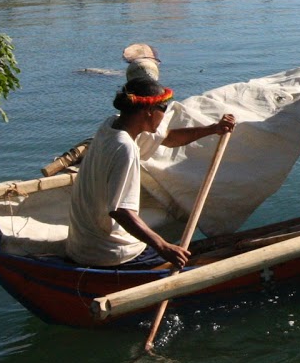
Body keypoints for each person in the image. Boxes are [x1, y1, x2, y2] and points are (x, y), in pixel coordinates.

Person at [67, 77, 236, 268]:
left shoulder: (112, 124)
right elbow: (120, 212)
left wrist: (213, 129)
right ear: (148, 111)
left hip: (81, 245)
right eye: (163, 108)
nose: (164, 114)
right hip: (107, 252)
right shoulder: (125, 148)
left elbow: (169, 138)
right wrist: (163, 246)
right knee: (189, 263)